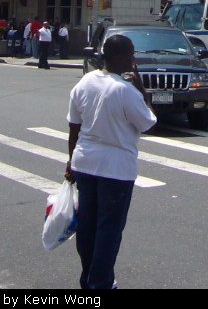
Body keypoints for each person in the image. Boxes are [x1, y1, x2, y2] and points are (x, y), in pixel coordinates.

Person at [65, 34, 156, 290]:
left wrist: (70, 161)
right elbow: (148, 123)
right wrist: (141, 88)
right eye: (131, 55)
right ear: (119, 57)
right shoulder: (125, 90)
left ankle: (88, 278)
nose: (134, 60)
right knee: (108, 230)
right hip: (115, 170)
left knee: (88, 226)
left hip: (84, 162)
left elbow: (74, 127)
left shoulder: (85, 82)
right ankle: (100, 283)